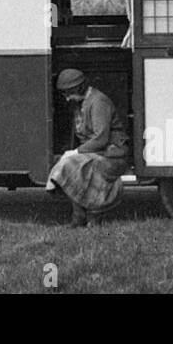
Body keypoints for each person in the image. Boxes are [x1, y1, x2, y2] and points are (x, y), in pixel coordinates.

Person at [46, 68, 129, 227]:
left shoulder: (98, 102)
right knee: (65, 164)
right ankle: (80, 216)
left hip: (113, 154)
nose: (67, 99)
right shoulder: (82, 102)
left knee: (70, 165)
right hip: (99, 152)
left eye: (68, 93)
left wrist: (74, 152)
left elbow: (101, 139)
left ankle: (90, 216)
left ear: (78, 89)